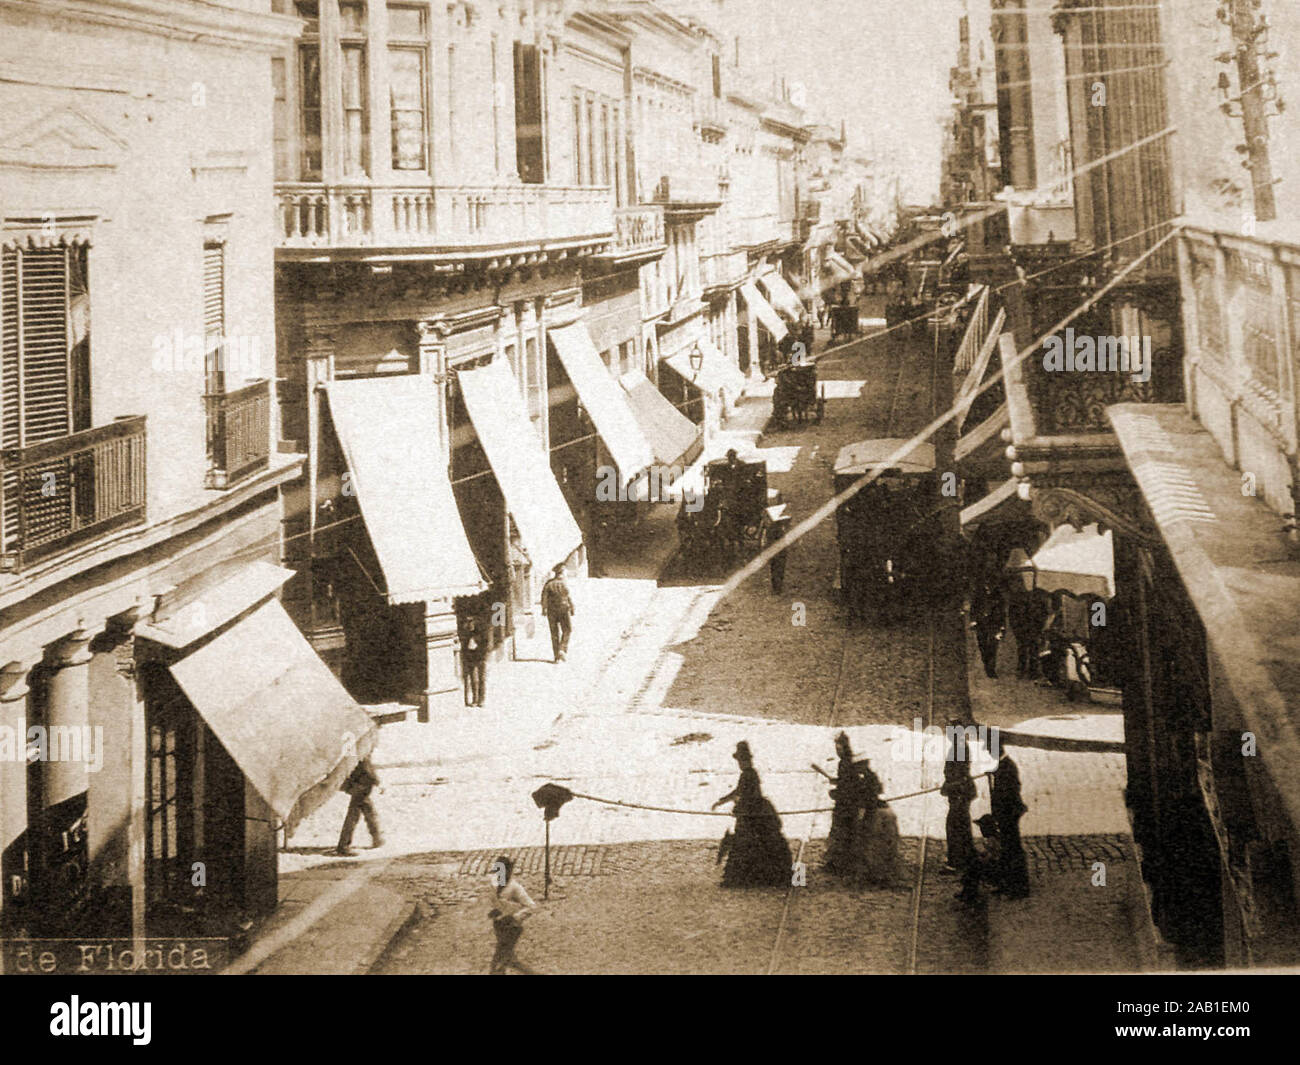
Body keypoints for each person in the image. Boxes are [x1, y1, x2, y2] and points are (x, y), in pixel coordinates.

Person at [712, 741, 791, 887]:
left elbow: (744, 793)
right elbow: (739, 791)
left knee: (747, 843)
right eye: (740, 761)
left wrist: (727, 802)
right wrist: (723, 801)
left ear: (747, 760)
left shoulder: (750, 774)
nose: (741, 763)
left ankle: (748, 878)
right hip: (752, 811)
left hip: (754, 813)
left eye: (743, 760)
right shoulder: (748, 774)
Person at [487, 855, 538, 975]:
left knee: (498, 962)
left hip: (511, 928)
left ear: (509, 871)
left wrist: (515, 917)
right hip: (499, 927)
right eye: (498, 871)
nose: (500, 875)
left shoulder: (515, 887)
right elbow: (497, 903)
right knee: (509, 960)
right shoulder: (494, 884)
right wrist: (495, 911)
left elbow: (531, 906)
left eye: (503, 871)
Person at [824, 732, 865, 878]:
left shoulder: (846, 764)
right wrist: (837, 782)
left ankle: (840, 865)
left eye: (839, 749)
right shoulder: (845, 762)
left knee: (842, 834)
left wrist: (835, 793)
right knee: (843, 834)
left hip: (847, 806)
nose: (838, 752)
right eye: (836, 749)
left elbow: (849, 787)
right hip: (845, 805)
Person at [990, 749, 1030, 898]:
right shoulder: (1004, 764)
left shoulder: (1007, 766)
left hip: (1009, 813)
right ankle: (1006, 884)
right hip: (1006, 813)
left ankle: (1019, 888)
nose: (988, 753)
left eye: (989, 749)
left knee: (1013, 850)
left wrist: (1000, 812)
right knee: (1006, 849)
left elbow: (1009, 791)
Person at [941, 722, 977, 875]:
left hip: (959, 793)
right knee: (961, 825)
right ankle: (966, 858)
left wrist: (951, 787)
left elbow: (960, 774)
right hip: (958, 792)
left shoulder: (959, 748)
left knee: (954, 826)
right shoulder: (959, 746)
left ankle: (956, 862)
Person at [335, 755, 383, 856]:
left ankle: (377, 838)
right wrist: (376, 780)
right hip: (362, 782)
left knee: (368, 810)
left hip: (360, 782)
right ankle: (343, 846)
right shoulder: (360, 747)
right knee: (354, 814)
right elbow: (365, 764)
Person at [540, 563, 574, 663]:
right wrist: (572, 607)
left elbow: (544, 597)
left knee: (554, 633)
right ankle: (562, 649)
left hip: (552, 611)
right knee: (567, 629)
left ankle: (556, 657)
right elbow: (568, 596)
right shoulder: (563, 583)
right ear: (561, 573)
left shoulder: (549, 583)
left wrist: (544, 609)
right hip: (564, 609)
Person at [461, 614, 487, 707]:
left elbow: (486, 645)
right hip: (471, 658)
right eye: (468, 623)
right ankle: (475, 699)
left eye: (471, 622)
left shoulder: (481, 633)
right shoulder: (467, 634)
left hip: (480, 657)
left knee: (482, 679)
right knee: (473, 679)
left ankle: (481, 699)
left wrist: (482, 654)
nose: (470, 625)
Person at [767, 516, 791, 594]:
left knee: (776, 570)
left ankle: (777, 588)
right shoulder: (776, 529)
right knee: (778, 570)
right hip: (778, 553)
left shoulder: (775, 528)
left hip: (778, 552)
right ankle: (777, 589)